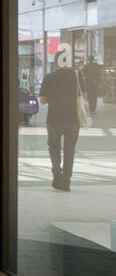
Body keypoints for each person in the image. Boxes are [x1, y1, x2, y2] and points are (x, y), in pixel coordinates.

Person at [40, 60, 82, 191]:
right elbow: (82, 96)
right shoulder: (76, 76)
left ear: (56, 64)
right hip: (73, 120)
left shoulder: (49, 77)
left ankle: (57, 175)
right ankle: (66, 182)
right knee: (69, 151)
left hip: (54, 119)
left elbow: (42, 100)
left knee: (54, 148)